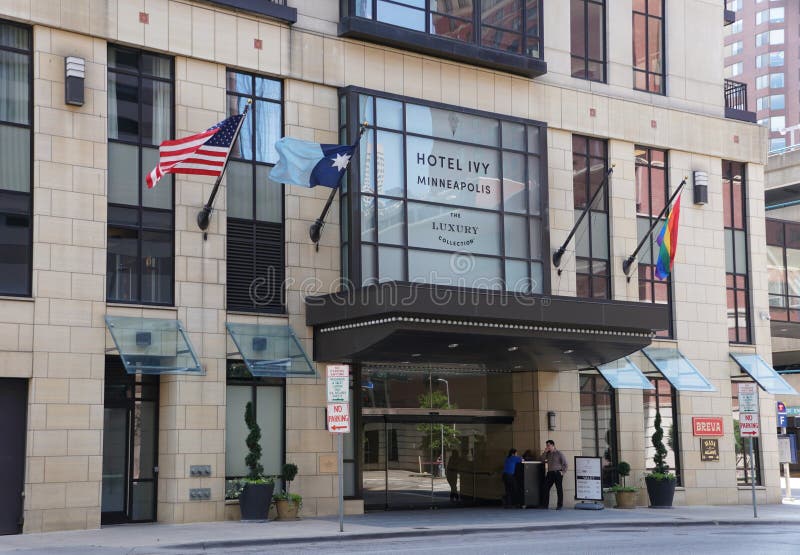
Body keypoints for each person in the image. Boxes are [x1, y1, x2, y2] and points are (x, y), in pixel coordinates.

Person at [540, 439, 568, 510]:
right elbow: (542, 460)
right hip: (550, 473)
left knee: (559, 489)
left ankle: (559, 505)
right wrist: (545, 452)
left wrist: (563, 472)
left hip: (557, 473)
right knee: (545, 488)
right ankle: (545, 505)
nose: (547, 447)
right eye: (546, 445)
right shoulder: (548, 453)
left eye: (548, 445)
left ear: (553, 445)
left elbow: (565, 463)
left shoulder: (559, 453)